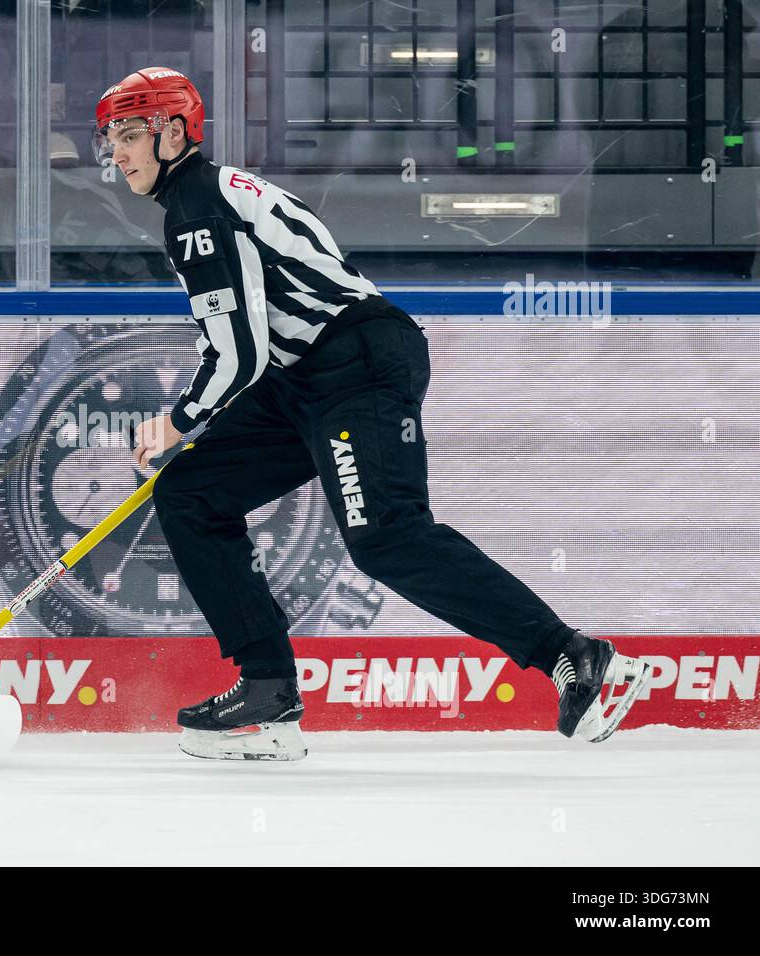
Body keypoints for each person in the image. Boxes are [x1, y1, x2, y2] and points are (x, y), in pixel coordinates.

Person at [94, 68, 653, 762]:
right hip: (309, 373)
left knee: (386, 535)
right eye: (111, 137)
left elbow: (239, 354)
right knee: (192, 494)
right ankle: (268, 690)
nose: (117, 153)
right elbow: (248, 339)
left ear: (173, 131)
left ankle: (575, 656)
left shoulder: (197, 210)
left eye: (128, 133)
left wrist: (177, 420)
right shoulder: (210, 195)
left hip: (354, 364)